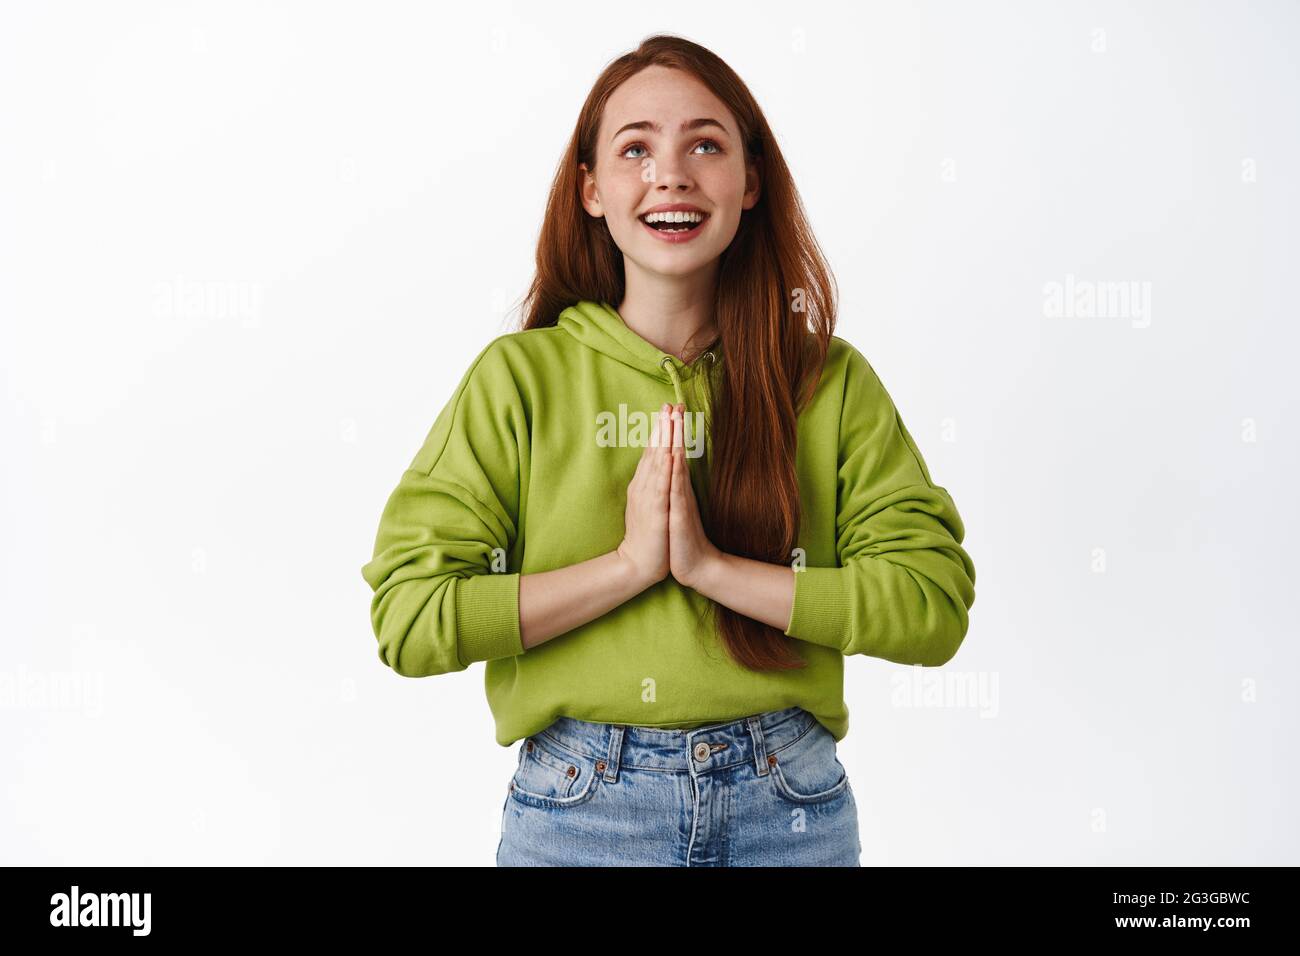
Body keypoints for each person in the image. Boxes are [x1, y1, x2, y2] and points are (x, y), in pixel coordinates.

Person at [360, 34, 976, 867]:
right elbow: (410, 619)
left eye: (706, 144)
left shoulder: (827, 381)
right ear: (591, 189)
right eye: (636, 148)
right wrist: (627, 567)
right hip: (579, 814)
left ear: (750, 182)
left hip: (788, 806)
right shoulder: (520, 380)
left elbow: (930, 606)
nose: (671, 174)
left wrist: (713, 570)